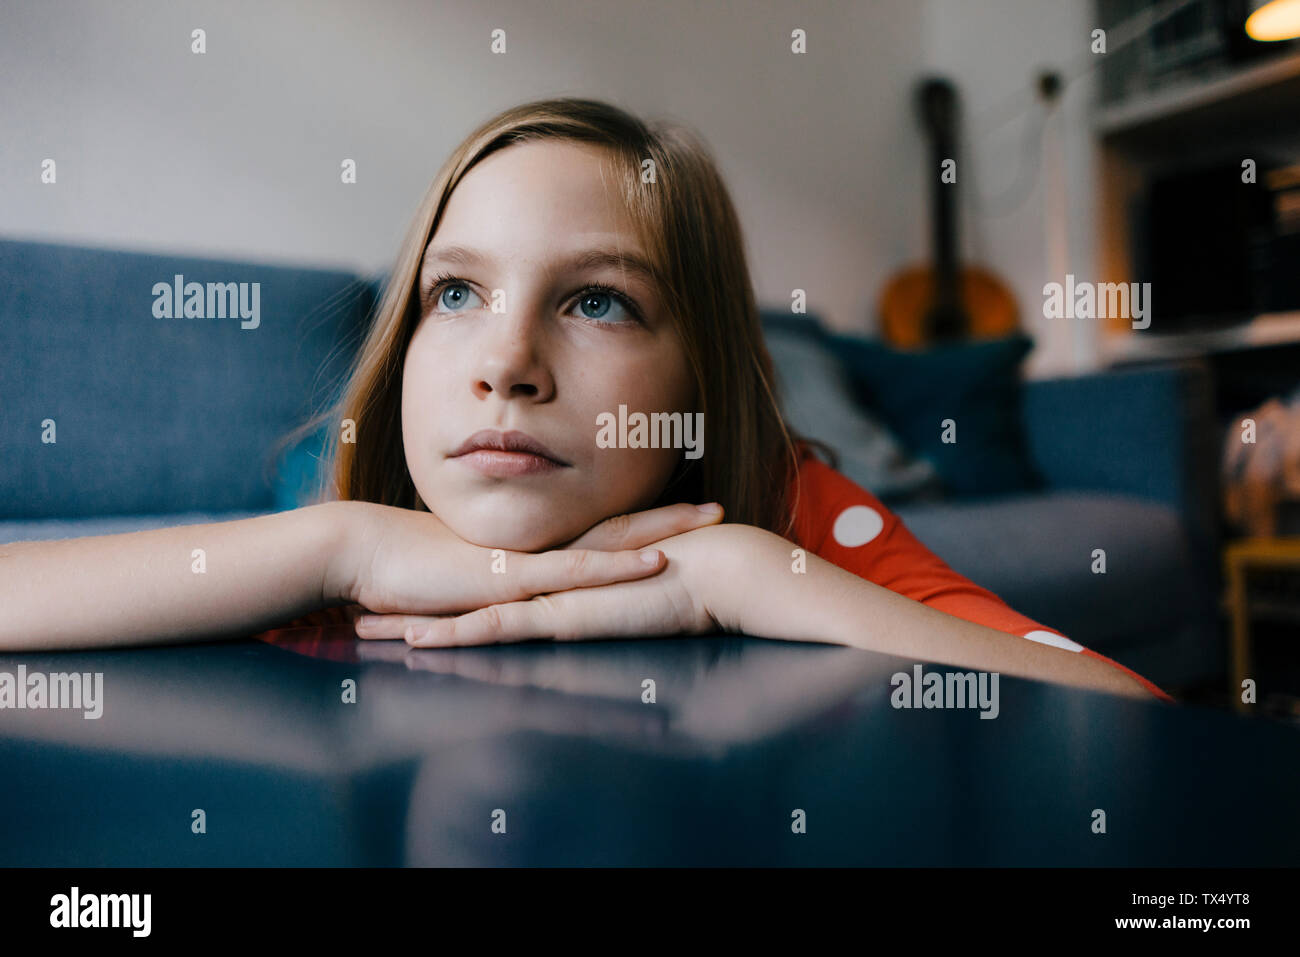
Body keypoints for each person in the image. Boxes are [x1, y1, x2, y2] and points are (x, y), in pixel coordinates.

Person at [0, 97, 1170, 703]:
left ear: (701, 375)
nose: (505, 360)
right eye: (454, 294)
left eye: (599, 302)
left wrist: (740, 578)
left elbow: (1137, 718)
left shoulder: (783, 511)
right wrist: (339, 545)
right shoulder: (350, 534)